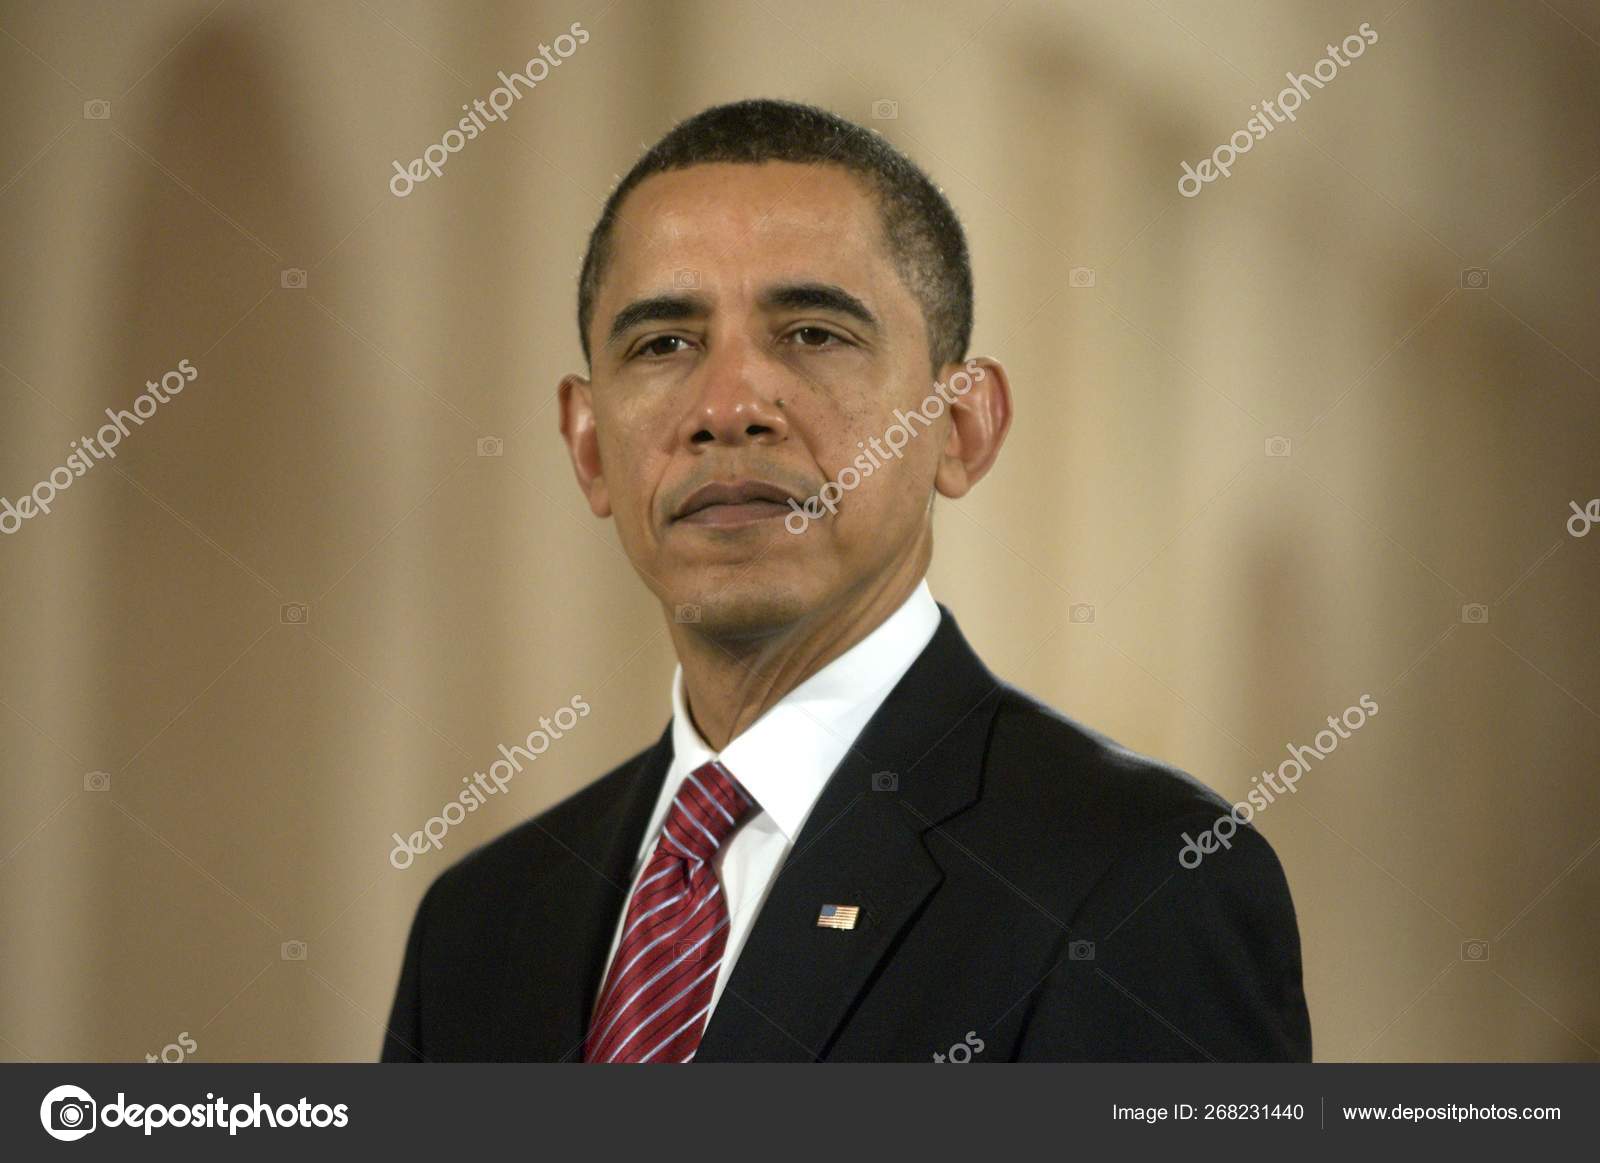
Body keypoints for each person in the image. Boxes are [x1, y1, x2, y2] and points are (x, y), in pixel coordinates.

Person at [380, 98, 1311, 1063]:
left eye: (814, 333)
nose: (729, 406)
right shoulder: (478, 925)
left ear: (961, 428)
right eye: (664, 344)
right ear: (587, 445)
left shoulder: (1139, 882)